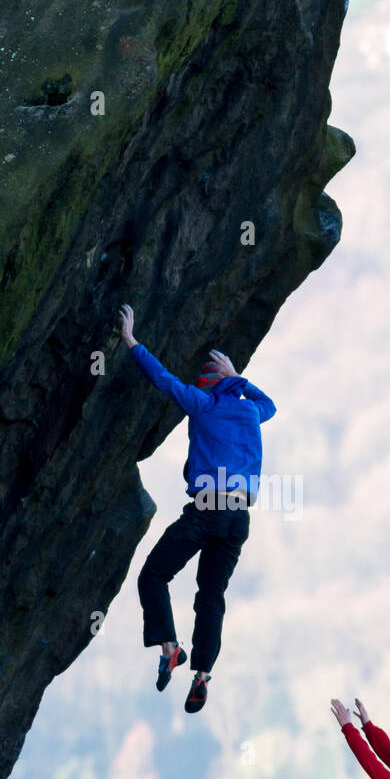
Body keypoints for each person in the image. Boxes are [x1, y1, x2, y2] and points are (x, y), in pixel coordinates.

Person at [119, 304, 276, 712]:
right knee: (211, 595)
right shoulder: (249, 409)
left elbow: (163, 380)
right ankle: (202, 673)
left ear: (206, 387)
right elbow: (270, 404)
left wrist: (132, 340)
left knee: (153, 575)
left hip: (208, 509)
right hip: (239, 519)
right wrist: (238, 377)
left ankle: (170, 647)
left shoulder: (204, 406)